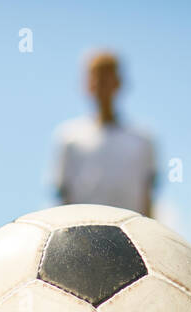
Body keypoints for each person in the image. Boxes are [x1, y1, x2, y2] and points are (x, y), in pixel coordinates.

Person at [52, 50, 155, 214]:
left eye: (107, 77)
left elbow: (148, 197)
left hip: (130, 234)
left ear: (118, 82)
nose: (101, 84)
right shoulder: (68, 137)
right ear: (87, 84)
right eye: (96, 77)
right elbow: (63, 197)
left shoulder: (142, 140)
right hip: (83, 234)